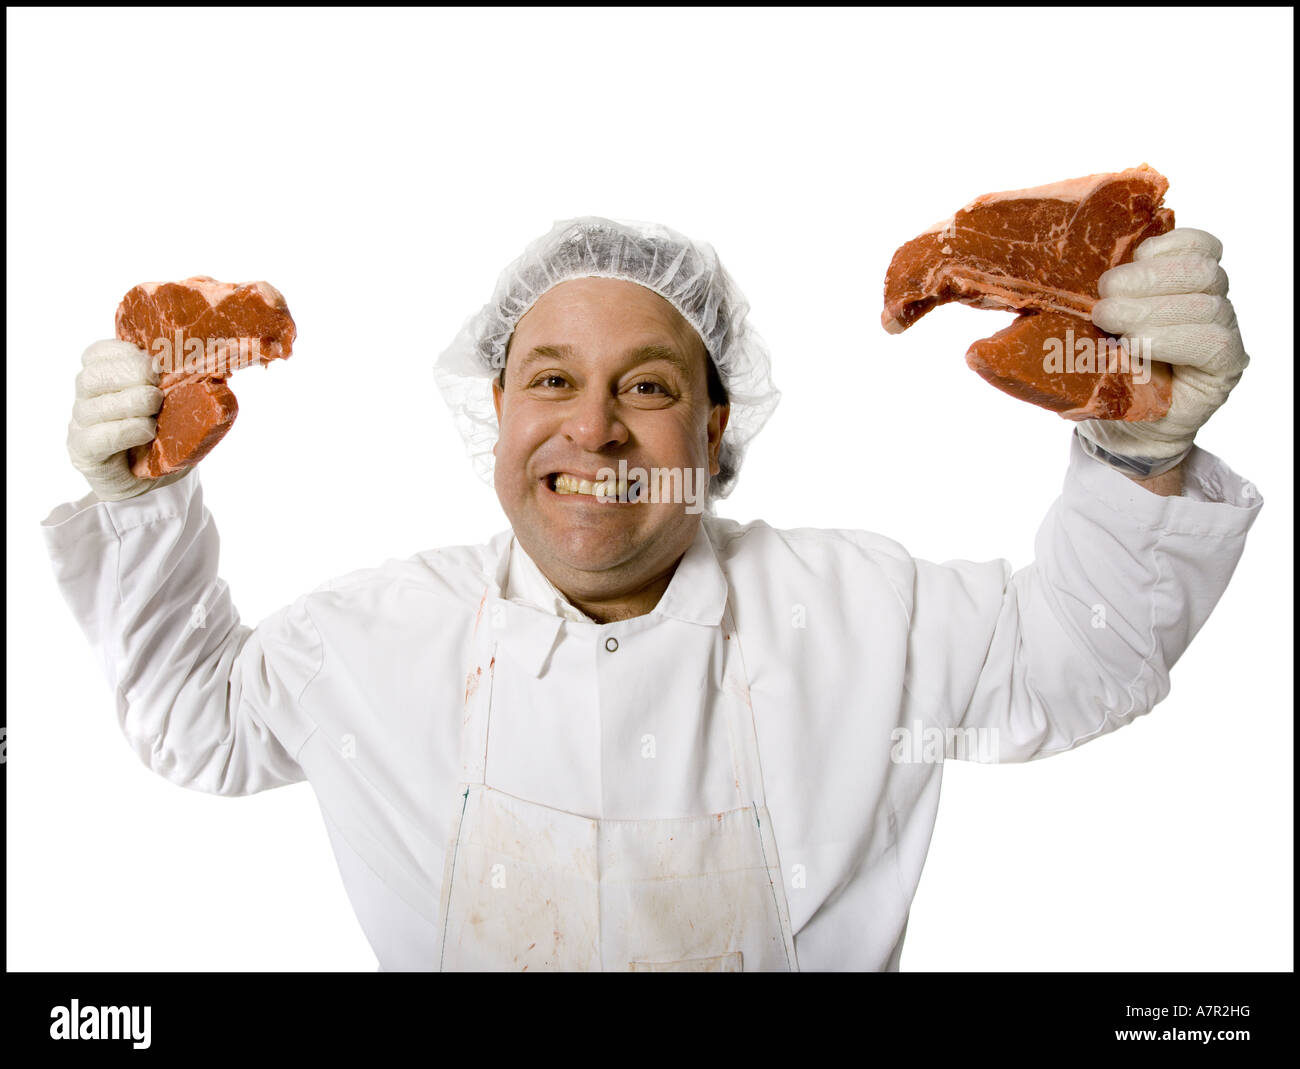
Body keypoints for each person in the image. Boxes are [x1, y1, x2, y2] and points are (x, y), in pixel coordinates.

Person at [42, 216, 1261, 971]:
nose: (592, 427)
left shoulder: (861, 615)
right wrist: (142, 504)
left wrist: (1138, 453)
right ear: (496, 411)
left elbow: (1079, 661)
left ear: (716, 422)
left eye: (646, 387)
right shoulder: (376, 640)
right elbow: (195, 724)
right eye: (552, 378)